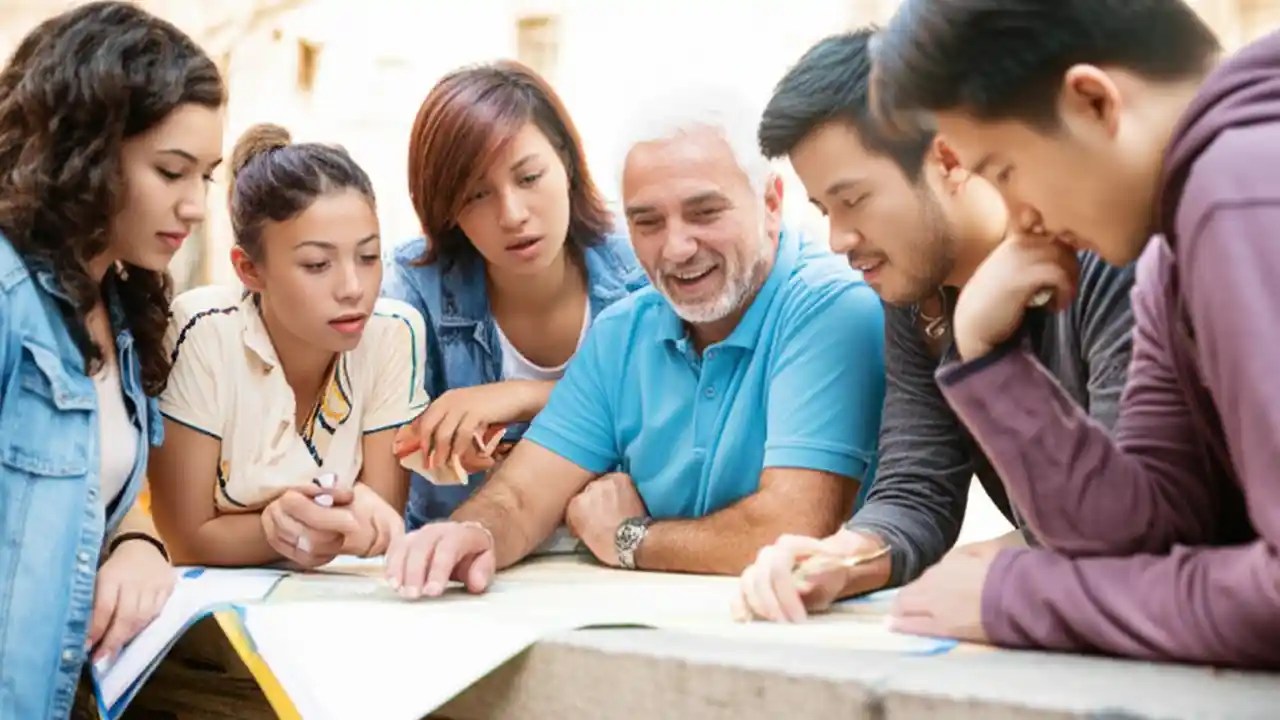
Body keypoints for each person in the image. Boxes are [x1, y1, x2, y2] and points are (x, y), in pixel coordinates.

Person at [869, 0, 1280, 668]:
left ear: (1092, 102)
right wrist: (986, 355)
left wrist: (1024, 597)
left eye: (1004, 172)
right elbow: (1139, 536)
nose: (1020, 220)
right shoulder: (1169, 247)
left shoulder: (1241, 185)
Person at [381, 88, 886, 597]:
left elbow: (792, 526)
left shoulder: (832, 306)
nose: (677, 247)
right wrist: (472, 534)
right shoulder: (621, 333)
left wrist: (629, 538)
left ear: (771, 203)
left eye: (705, 212)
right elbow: (520, 496)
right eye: (647, 222)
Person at [733, 30, 1135, 623]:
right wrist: (835, 563)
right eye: (824, 210)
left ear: (946, 158)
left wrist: (992, 569)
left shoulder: (1108, 254)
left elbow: (1124, 523)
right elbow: (917, 491)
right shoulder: (916, 294)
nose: (839, 240)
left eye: (854, 200)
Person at [0, 3, 224, 716]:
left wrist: (138, 544)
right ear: (87, 154)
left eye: (207, 177)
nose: (193, 206)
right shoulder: (7, 295)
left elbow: (95, 494)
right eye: (171, 171)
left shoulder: (123, 308)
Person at [147, 124, 427, 570]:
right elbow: (184, 539)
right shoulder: (202, 330)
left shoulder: (393, 332)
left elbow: (379, 515)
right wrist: (274, 532)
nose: (353, 288)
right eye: (317, 264)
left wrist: (328, 526)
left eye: (369, 257)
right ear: (249, 270)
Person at [383, 61, 646, 530]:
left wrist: (523, 395)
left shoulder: (641, 274)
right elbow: (381, 452)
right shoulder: (413, 291)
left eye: (528, 178)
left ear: (564, 161)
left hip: (611, 560)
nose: (512, 214)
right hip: (467, 567)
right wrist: (427, 450)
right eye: (476, 195)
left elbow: (677, 408)